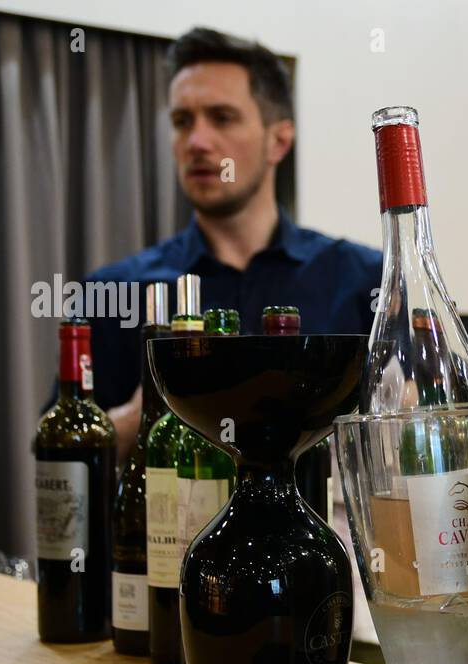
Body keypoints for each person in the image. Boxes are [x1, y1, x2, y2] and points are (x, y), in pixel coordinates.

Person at [86, 27, 381, 457]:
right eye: (182, 121)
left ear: (278, 140)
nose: (197, 143)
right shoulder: (114, 292)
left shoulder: (365, 280)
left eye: (222, 118)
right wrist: (140, 416)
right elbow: (64, 461)